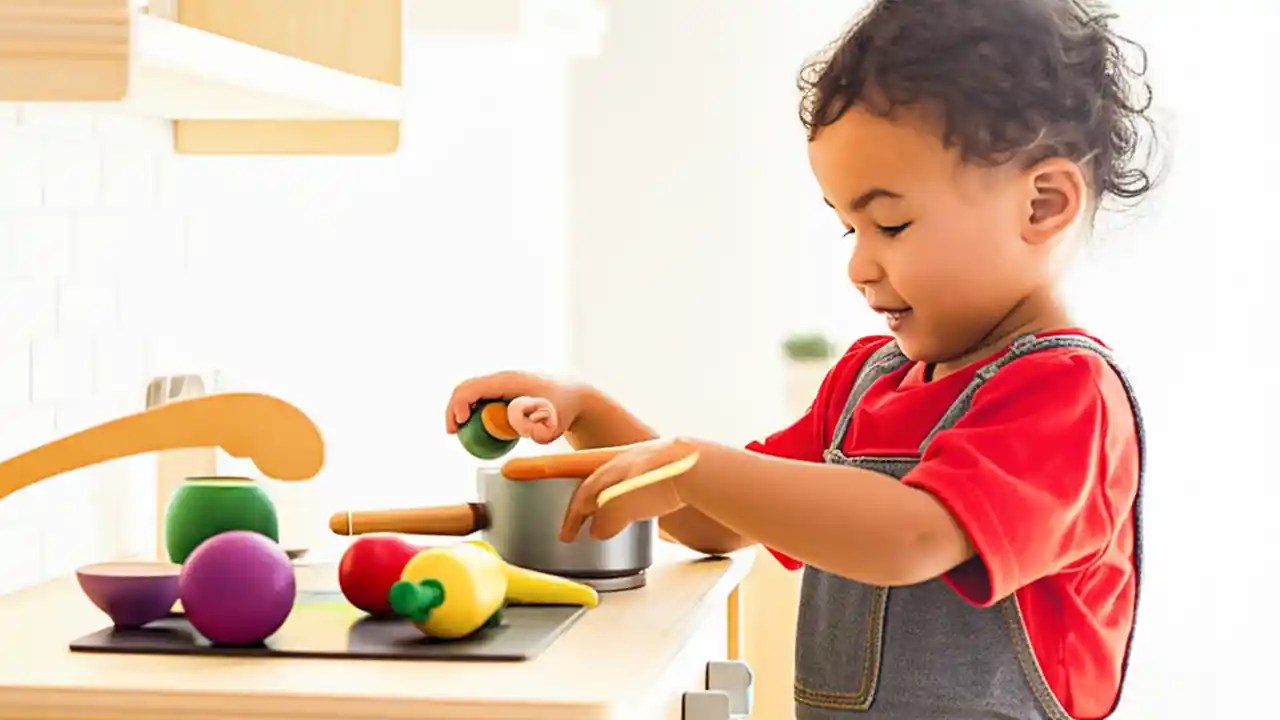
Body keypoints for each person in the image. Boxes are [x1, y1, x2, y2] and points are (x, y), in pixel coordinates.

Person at [445, 0, 1156, 717]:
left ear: (1042, 205)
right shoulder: (864, 384)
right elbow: (710, 517)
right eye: (849, 227)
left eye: (890, 224)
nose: (859, 265)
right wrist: (589, 412)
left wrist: (695, 463)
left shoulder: (1068, 397)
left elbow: (909, 535)